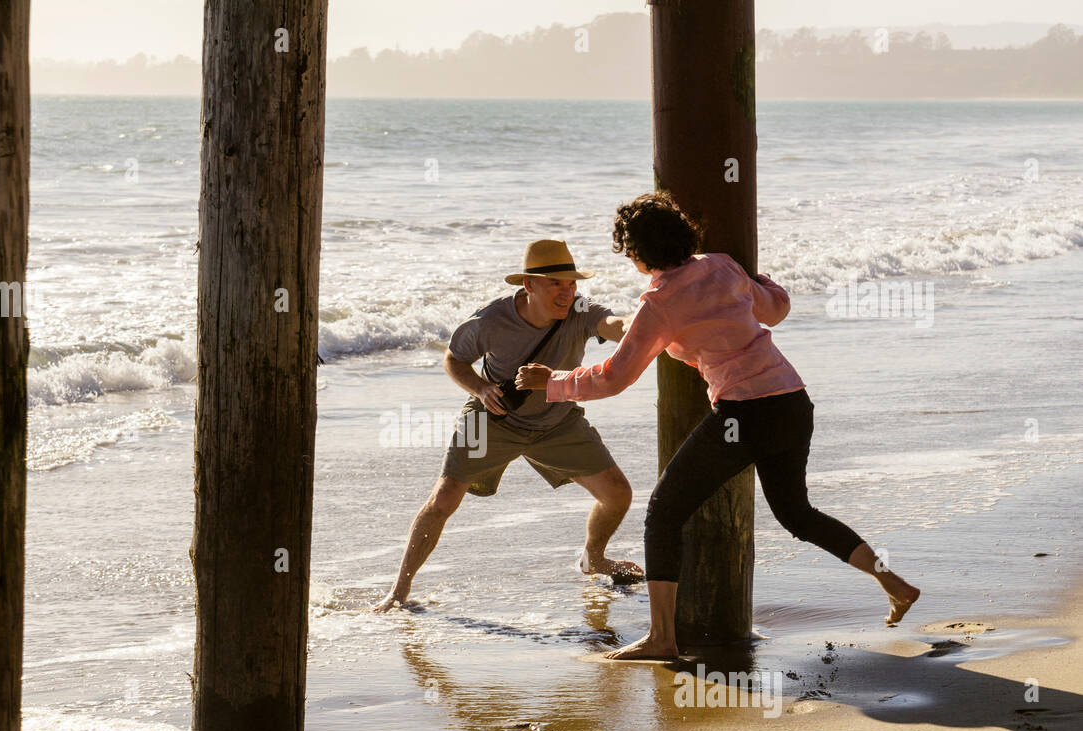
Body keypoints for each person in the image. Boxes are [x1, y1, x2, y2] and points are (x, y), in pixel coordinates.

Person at [515, 192, 921, 660]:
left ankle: (662, 639)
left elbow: (613, 378)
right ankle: (893, 582)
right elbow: (775, 309)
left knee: (663, 513)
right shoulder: (723, 266)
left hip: (743, 415)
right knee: (796, 513)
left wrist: (554, 382)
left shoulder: (658, 303)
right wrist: (755, 278)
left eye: (628, 251)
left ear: (639, 253)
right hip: (792, 401)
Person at [372, 239, 646, 613]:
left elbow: (617, 326)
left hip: (557, 421)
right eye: (556, 284)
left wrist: (650, 318)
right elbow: (454, 360)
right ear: (529, 285)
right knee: (444, 499)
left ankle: (594, 559)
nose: (567, 293)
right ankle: (397, 593)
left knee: (618, 494)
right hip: (492, 419)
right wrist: (481, 389)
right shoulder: (491, 320)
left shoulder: (580, 310)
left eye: (571, 283)